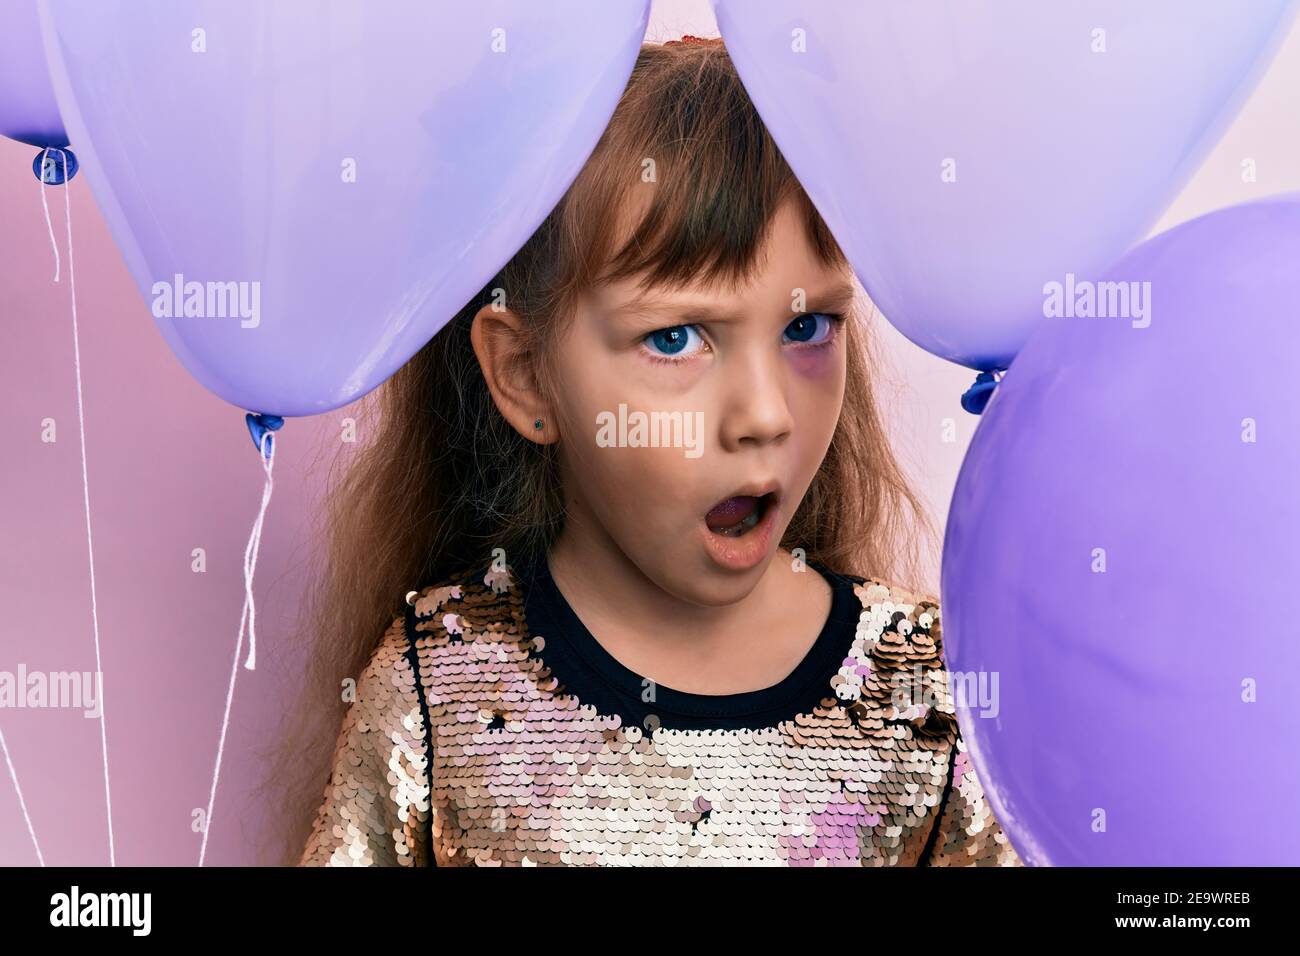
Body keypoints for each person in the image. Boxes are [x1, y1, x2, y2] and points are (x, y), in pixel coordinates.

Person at [286, 36, 1022, 867]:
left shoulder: (928, 694)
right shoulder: (441, 688)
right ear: (525, 375)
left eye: (807, 327)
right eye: (675, 338)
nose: (766, 414)